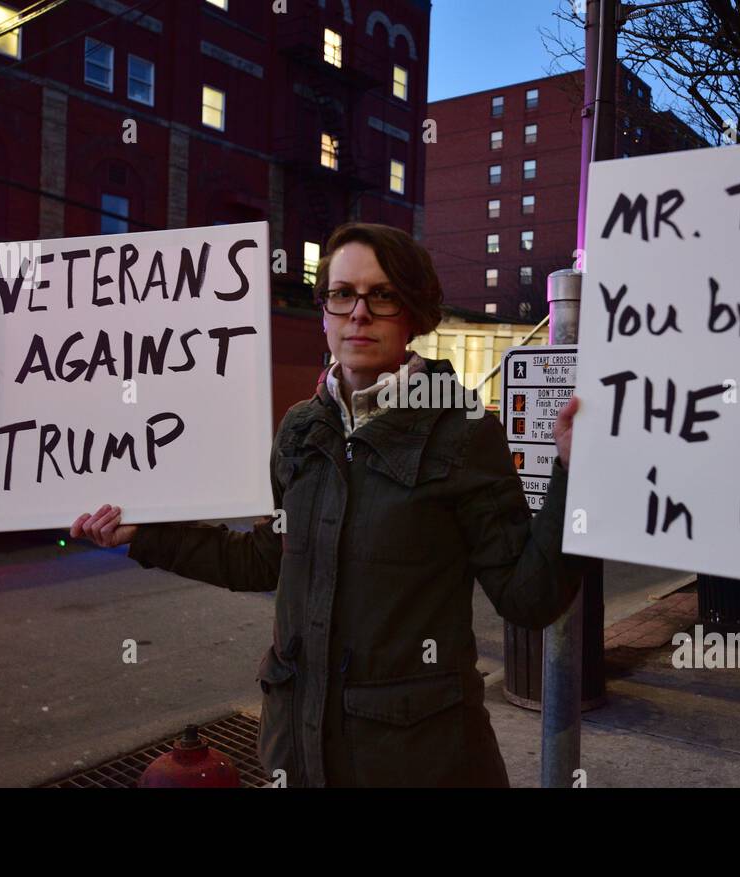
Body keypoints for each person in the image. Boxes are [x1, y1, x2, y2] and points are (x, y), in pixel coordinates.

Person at [71, 222, 582, 787]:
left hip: (421, 764)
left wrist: (571, 472)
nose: (358, 313)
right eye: (342, 294)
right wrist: (143, 536)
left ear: (412, 312)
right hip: (300, 755)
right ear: (325, 312)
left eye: (382, 295)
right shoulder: (300, 427)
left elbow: (530, 596)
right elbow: (263, 560)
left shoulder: (461, 431)